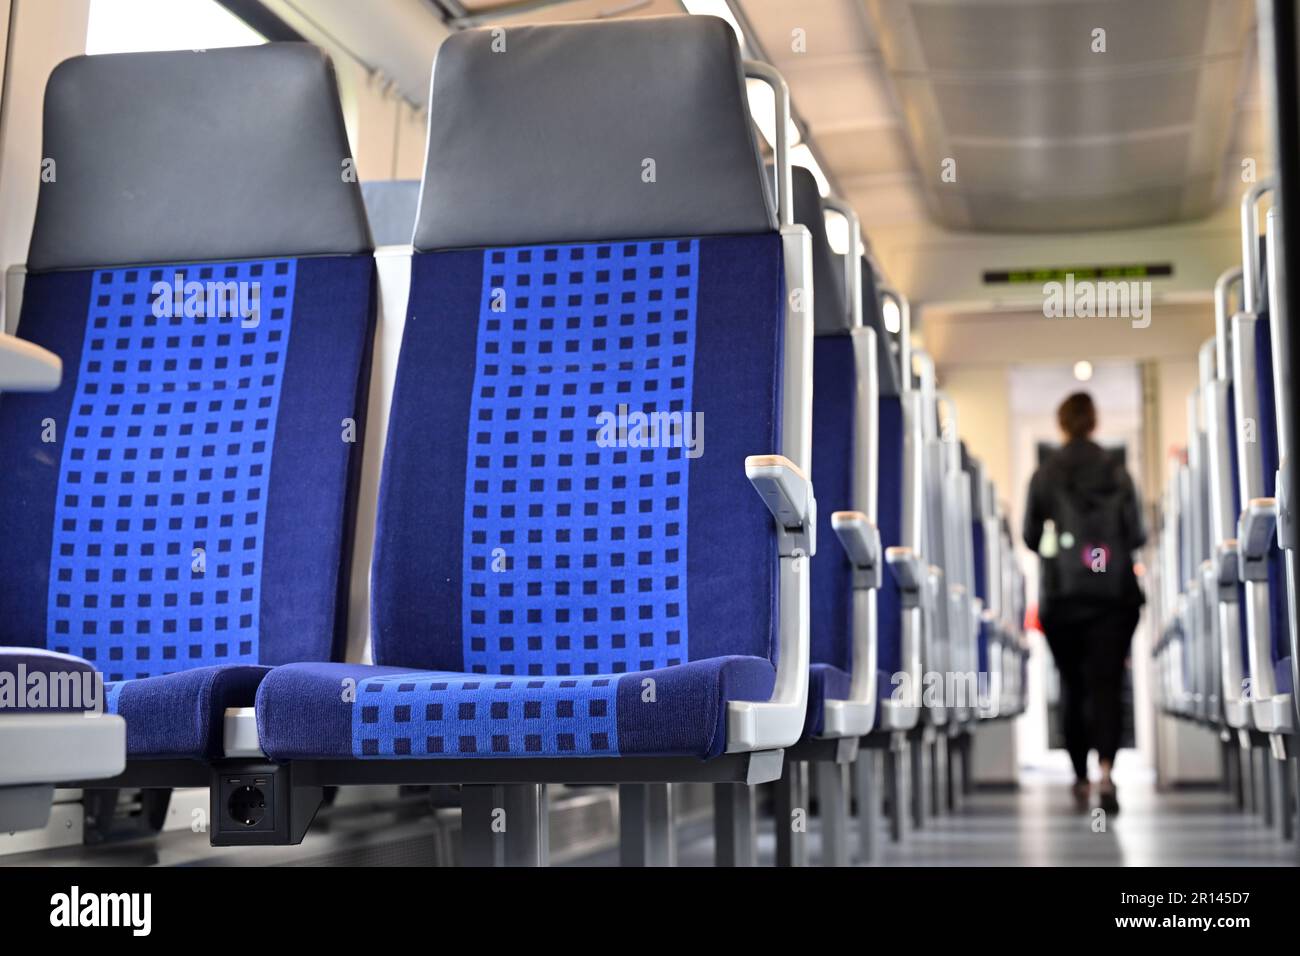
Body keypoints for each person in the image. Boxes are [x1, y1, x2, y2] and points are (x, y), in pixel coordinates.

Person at [1023, 392, 1145, 814]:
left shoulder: (1046, 473)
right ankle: (1107, 774)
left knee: (1073, 685)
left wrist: (1063, 547)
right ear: (1094, 422)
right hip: (1113, 595)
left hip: (1064, 596)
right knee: (1107, 684)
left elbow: (1030, 538)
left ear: (1061, 424)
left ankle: (1078, 779)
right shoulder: (1117, 470)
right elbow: (1137, 534)